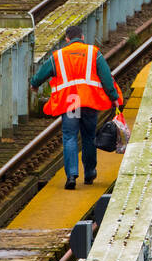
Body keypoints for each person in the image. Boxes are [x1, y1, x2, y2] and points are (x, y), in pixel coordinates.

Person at [30, 25, 123, 190]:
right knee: (88, 137)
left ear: (67, 39)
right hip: (88, 102)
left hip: (70, 102)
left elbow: (41, 74)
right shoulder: (94, 53)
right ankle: (89, 173)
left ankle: (71, 175)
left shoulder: (58, 56)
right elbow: (106, 77)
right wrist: (114, 98)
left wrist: (34, 85)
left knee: (70, 137)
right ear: (82, 37)